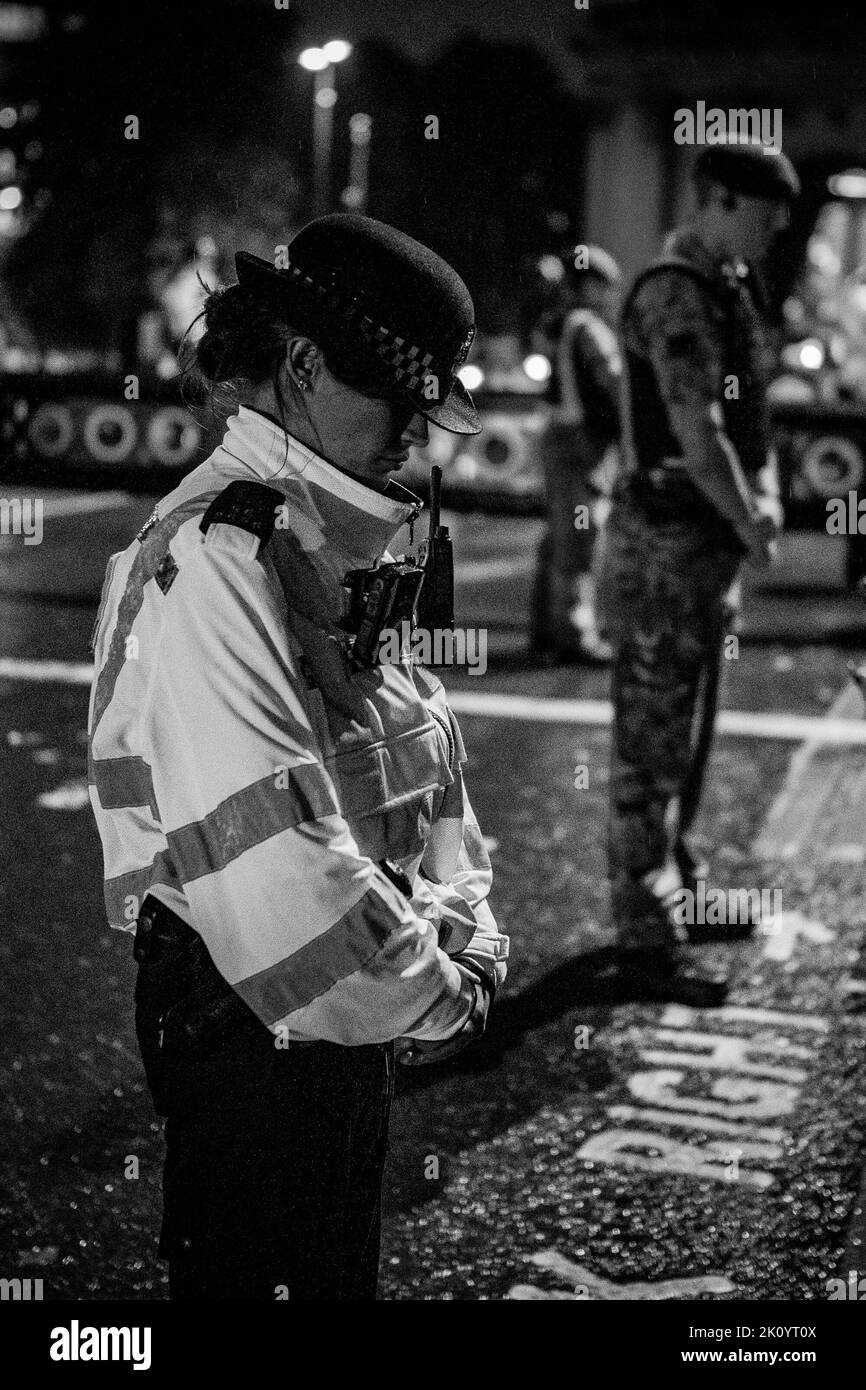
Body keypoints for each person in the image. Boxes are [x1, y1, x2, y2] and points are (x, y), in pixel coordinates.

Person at [87, 213, 509, 1300]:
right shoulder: (219, 555)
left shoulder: (309, 536)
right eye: (402, 395)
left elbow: (416, 759)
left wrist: (461, 919)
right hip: (256, 1019)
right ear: (307, 365)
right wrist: (444, 990)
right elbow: (289, 886)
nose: (419, 429)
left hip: (332, 1009)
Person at [599, 141, 799, 1005]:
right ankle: (643, 932)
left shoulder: (731, 286)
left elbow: (753, 414)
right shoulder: (675, 291)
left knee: (692, 731)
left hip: (701, 545)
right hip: (664, 547)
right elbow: (696, 426)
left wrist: (765, 500)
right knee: (651, 744)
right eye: (766, 209)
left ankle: (677, 886)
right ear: (719, 199)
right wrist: (752, 516)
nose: (778, 226)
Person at [530, 246, 622, 662]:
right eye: (603, 285)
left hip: (559, 439)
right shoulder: (588, 328)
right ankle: (573, 634)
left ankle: (549, 630)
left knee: (561, 536)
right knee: (579, 538)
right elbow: (615, 389)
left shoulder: (558, 325)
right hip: (580, 445)